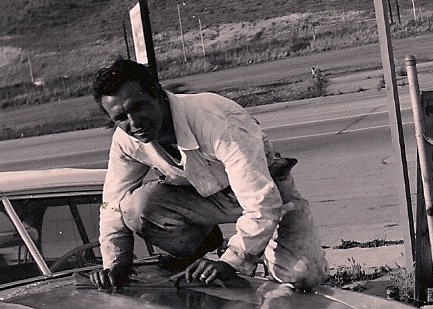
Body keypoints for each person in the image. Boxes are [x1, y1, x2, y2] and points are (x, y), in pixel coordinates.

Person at [89, 59, 328, 291]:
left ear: (157, 93)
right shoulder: (125, 142)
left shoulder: (215, 122)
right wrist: (116, 263)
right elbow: (112, 203)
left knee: (303, 275)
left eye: (138, 107)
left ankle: (255, 251)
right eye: (120, 117)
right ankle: (204, 245)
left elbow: (262, 202)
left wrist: (231, 262)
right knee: (134, 207)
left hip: (267, 190)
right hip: (205, 197)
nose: (133, 122)